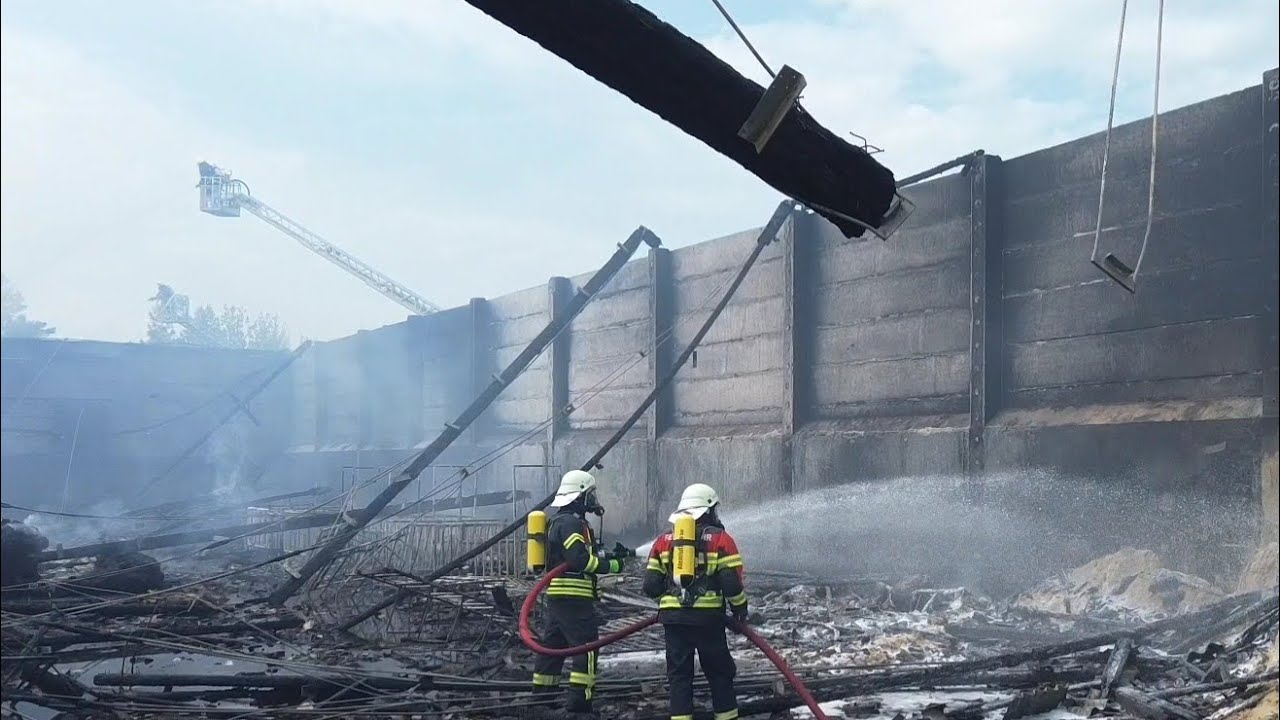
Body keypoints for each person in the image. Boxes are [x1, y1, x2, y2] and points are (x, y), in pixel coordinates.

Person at [530, 469, 632, 715]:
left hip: (559, 596)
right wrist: (612, 566)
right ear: (579, 495)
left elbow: (578, 553)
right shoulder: (571, 523)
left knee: (553, 646)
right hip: (574, 597)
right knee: (586, 647)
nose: (593, 498)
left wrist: (611, 554)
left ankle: (542, 698)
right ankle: (580, 703)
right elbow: (578, 560)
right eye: (590, 493)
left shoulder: (562, 521)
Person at [643, 483, 748, 720]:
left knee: (679, 678)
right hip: (709, 621)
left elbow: (650, 586)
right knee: (720, 675)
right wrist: (740, 609)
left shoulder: (663, 541)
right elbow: (732, 584)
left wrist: (671, 602)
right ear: (709, 510)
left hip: (674, 623)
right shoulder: (721, 540)